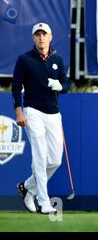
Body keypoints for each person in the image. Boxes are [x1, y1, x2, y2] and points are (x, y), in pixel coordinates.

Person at [13, 22, 69, 214]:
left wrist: (60, 86)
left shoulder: (58, 59)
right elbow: (16, 86)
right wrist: (18, 111)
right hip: (32, 111)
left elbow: (66, 84)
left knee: (55, 160)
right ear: (33, 38)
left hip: (53, 113)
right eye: (37, 34)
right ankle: (44, 202)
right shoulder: (24, 59)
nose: (41, 38)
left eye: (44, 34)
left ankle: (28, 187)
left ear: (50, 37)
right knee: (40, 156)